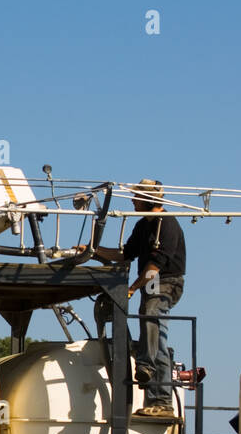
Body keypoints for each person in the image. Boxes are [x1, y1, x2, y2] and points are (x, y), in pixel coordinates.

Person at [71, 179, 186, 419]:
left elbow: (154, 268)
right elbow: (125, 254)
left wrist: (132, 288)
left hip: (167, 282)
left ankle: (147, 368)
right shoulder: (143, 225)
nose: (133, 200)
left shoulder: (168, 225)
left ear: (149, 199)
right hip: (151, 283)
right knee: (154, 337)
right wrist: (93, 249)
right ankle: (158, 398)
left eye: (136, 197)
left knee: (152, 317)